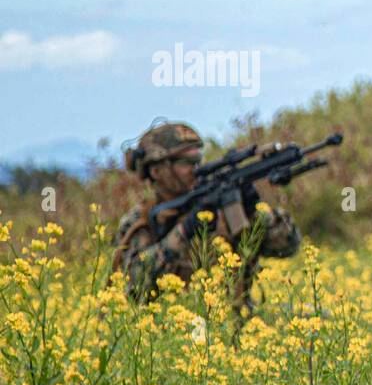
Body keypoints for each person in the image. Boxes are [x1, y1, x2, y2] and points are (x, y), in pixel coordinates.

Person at [113, 120, 300, 308]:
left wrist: (254, 209)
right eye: (187, 163)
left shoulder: (219, 207)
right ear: (156, 171)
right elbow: (133, 285)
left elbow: (287, 245)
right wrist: (184, 231)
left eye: (198, 160)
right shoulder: (140, 222)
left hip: (236, 321)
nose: (196, 169)